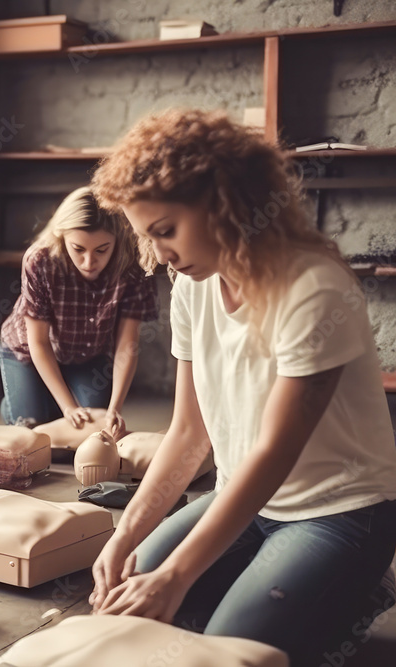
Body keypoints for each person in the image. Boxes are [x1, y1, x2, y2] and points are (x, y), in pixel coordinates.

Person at [88, 108, 396, 664]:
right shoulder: (192, 285)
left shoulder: (313, 288)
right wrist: (124, 535)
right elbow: (187, 433)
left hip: (338, 510)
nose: (159, 256)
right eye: (146, 237)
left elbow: (275, 452)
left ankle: (358, 589)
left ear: (225, 205)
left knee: (224, 650)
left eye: (167, 232)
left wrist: (178, 575)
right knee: (128, 606)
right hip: (242, 501)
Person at [0, 186, 158, 434]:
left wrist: (115, 407)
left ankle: (46, 398)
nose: (89, 262)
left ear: (117, 240)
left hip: (87, 355)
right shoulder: (40, 259)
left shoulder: (133, 264)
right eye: (78, 249)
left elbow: (127, 345)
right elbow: (38, 343)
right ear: (62, 238)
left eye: (102, 250)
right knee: (33, 428)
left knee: (93, 429)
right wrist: (68, 407)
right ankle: (25, 400)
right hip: (27, 351)